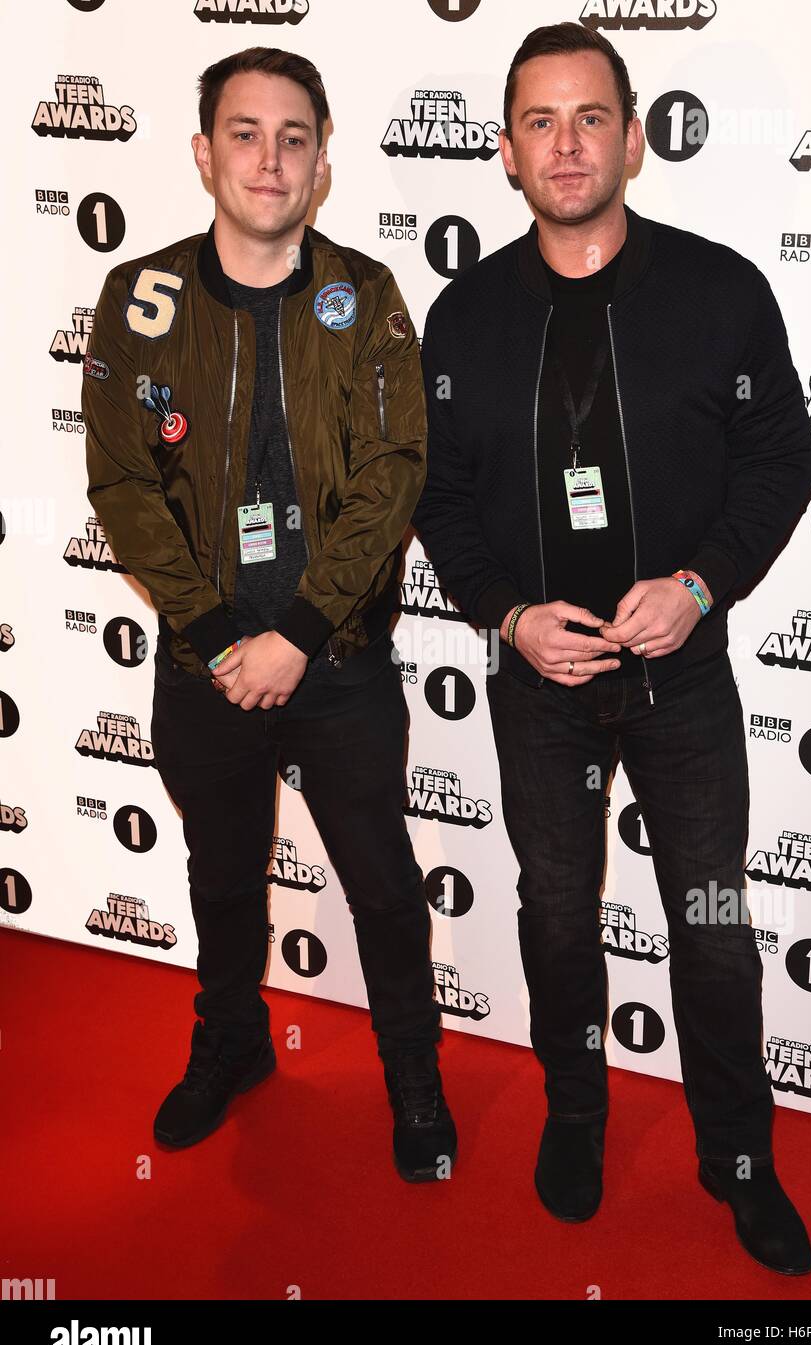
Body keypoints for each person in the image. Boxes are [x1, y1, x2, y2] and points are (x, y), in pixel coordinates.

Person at [412, 22, 811, 1271]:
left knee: (711, 920)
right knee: (553, 913)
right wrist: (505, 615)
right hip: (538, 684)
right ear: (505, 151)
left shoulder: (719, 292)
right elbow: (439, 498)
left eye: (590, 117)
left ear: (634, 139)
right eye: (540, 121)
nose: (566, 144)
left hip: (680, 678)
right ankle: (575, 1118)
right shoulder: (463, 318)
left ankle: (737, 1157)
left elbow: (781, 459)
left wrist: (700, 585)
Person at [81, 46, 456, 1182]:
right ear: (204, 153)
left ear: (322, 163)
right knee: (223, 877)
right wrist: (213, 639)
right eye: (244, 134)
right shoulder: (139, 298)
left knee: (382, 885)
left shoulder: (366, 295)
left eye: (294, 138)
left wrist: (296, 633)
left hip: (335, 661)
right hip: (204, 667)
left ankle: (413, 1075)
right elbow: (122, 485)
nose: (269, 160)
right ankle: (234, 1042)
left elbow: (394, 472)